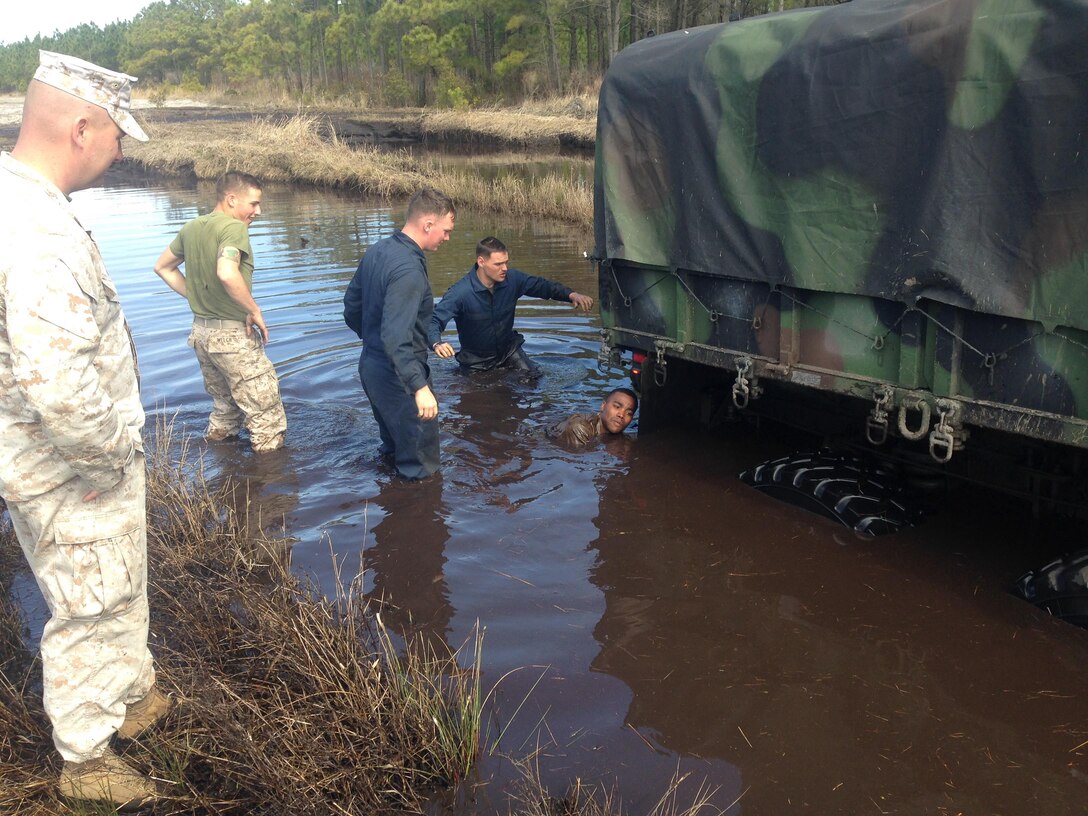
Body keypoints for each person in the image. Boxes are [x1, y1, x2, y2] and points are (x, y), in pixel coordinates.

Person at [0, 51, 169, 809]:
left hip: (53, 457)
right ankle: (86, 758)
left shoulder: (20, 201)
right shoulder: (37, 231)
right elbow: (60, 387)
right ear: (79, 129)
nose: (121, 149)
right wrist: (108, 463)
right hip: (70, 467)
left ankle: (129, 695)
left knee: (116, 582)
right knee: (91, 603)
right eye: (116, 133)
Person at [153, 172, 287, 452]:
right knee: (266, 418)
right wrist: (254, 309)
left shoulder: (192, 227)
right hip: (233, 338)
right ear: (232, 199)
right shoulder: (234, 228)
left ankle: (221, 465)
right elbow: (226, 272)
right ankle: (272, 478)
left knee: (225, 410)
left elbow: (163, 267)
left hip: (201, 335)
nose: (258, 212)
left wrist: (195, 295)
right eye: (253, 204)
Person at [343, 187, 455, 480]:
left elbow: (351, 307)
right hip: (400, 377)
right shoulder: (409, 271)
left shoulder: (378, 250)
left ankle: (389, 504)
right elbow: (396, 337)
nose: (447, 238)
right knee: (421, 470)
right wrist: (419, 387)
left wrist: (373, 341)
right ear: (427, 224)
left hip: (372, 368)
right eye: (445, 231)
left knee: (392, 452)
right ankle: (418, 507)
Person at [430, 236, 594, 372]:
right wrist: (437, 343)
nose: (505, 268)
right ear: (481, 261)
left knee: (533, 380)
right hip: (475, 362)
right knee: (481, 399)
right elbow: (434, 320)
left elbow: (543, 286)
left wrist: (571, 294)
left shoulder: (513, 280)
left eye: (506, 262)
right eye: (498, 264)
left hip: (510, 351)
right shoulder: (460, 293)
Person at [552, 388, 638, 448]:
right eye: (617, 407)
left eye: (629, 413)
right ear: (603, 406)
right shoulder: (579, 428)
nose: (621, 415)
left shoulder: (621, 432)